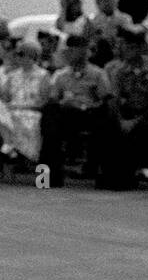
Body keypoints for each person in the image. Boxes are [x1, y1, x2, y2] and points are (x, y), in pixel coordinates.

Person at [96, 27, 148, 190]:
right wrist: (121, 120)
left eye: (132, 47)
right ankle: (109, 174)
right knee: (107, 127)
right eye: (126, 47)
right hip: (126, 113)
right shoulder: (120, 71)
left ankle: (128, 175)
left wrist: (135, 121)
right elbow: (115, 97)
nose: (127, 51)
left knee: (142, 131)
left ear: (141, 49)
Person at [39, 35, 111, 186]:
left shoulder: (97, 74)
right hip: (66, 114)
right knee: (49, 123)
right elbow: (53, 98)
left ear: (85, 52)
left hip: (89, 113)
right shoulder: (61, 75)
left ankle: (104, 176)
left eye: (76, 49)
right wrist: (62, 102)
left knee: (105, 123)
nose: (71, 53)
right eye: (69, 50)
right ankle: (45, 179)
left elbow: (105, 99)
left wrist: (87, 106)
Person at [0, 39, 50, 182]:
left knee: (10, 119)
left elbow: (44, 101)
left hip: (31, 112)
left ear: (32, 57)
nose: (18, 58)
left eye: (22, 55)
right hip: (12, 111)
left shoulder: (43, 75)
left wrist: (20, 106)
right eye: (18, 54)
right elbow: (5, 98)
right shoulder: (12, 75)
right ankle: (8, 144)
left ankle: (1, 158)